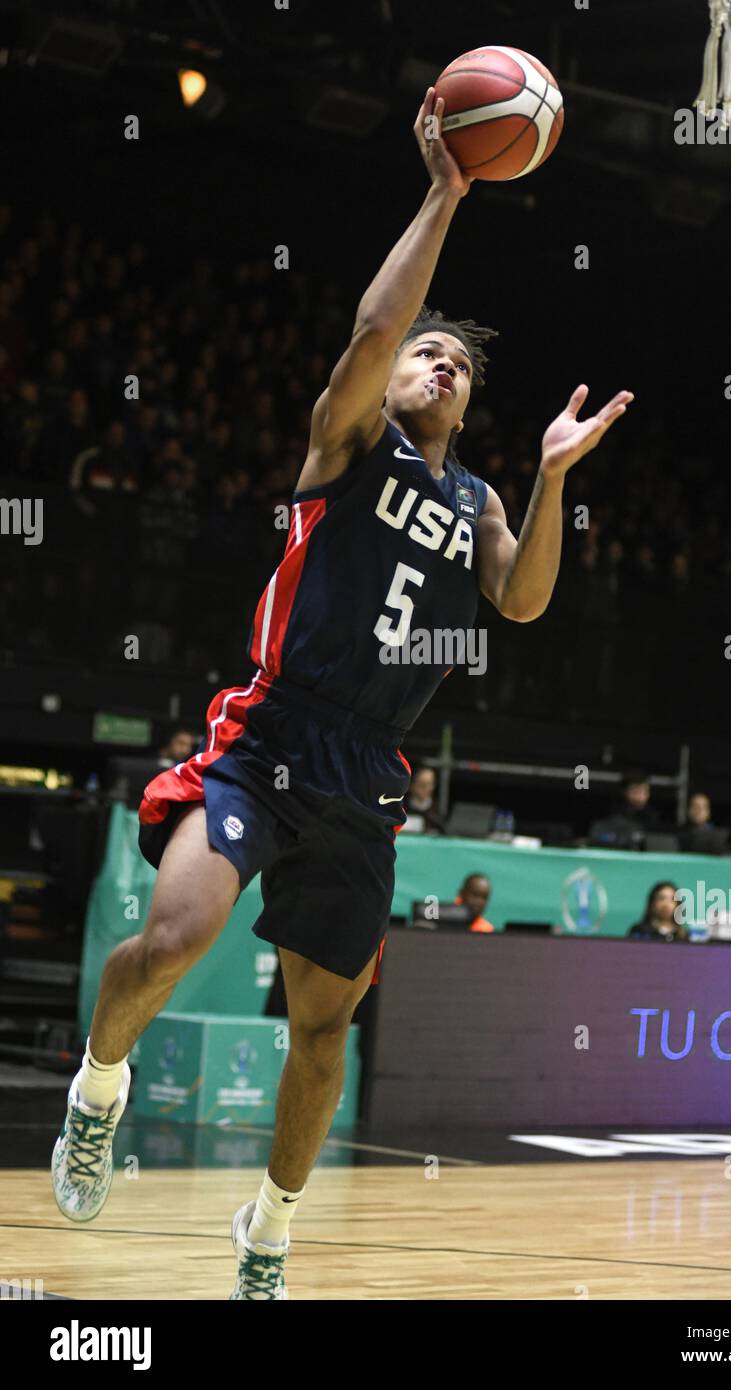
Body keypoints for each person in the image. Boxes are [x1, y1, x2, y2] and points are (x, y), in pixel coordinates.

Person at [51, 89, 633, 1299]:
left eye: (456, 364)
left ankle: (266, 1230)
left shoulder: (474, 500)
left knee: (322, 1036)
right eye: (429, 350)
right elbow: (374, 330)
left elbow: (522, 602)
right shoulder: (347, 443)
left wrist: (548, 479)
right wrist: (444, 192)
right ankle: (97, 1092)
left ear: (469, 405)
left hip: (368, 774)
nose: (435, 362)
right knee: (173, 939)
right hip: (270, 733)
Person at [405, 765, 447, 835]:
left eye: (430, 784)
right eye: (422, 784)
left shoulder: (438, 811)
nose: (427, 789)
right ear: (412, 785)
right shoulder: (401, 807)